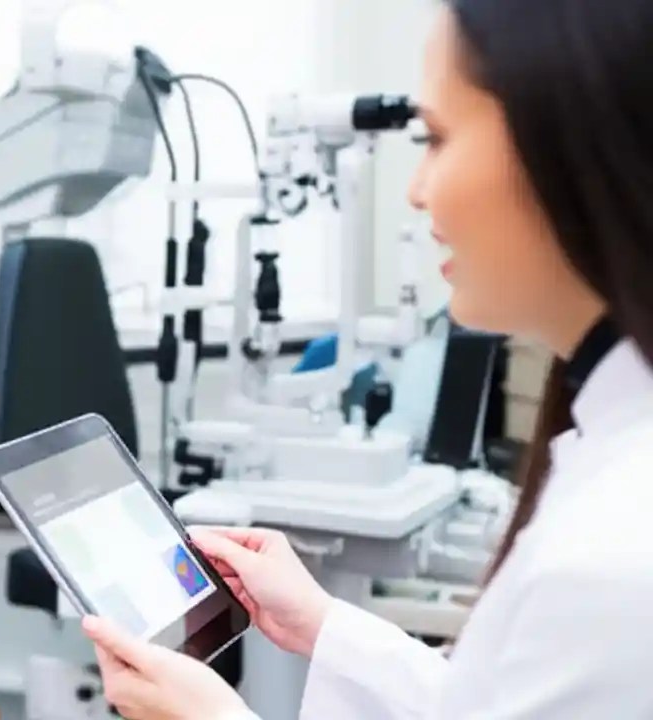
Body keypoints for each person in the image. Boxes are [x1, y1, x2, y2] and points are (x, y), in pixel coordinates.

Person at [81, 0, 653, 717]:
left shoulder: (611, 563)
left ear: (573, 143)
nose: (416, 190)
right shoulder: (611, 472)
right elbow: (488, 704)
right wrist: (322, 625)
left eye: (438, 138)